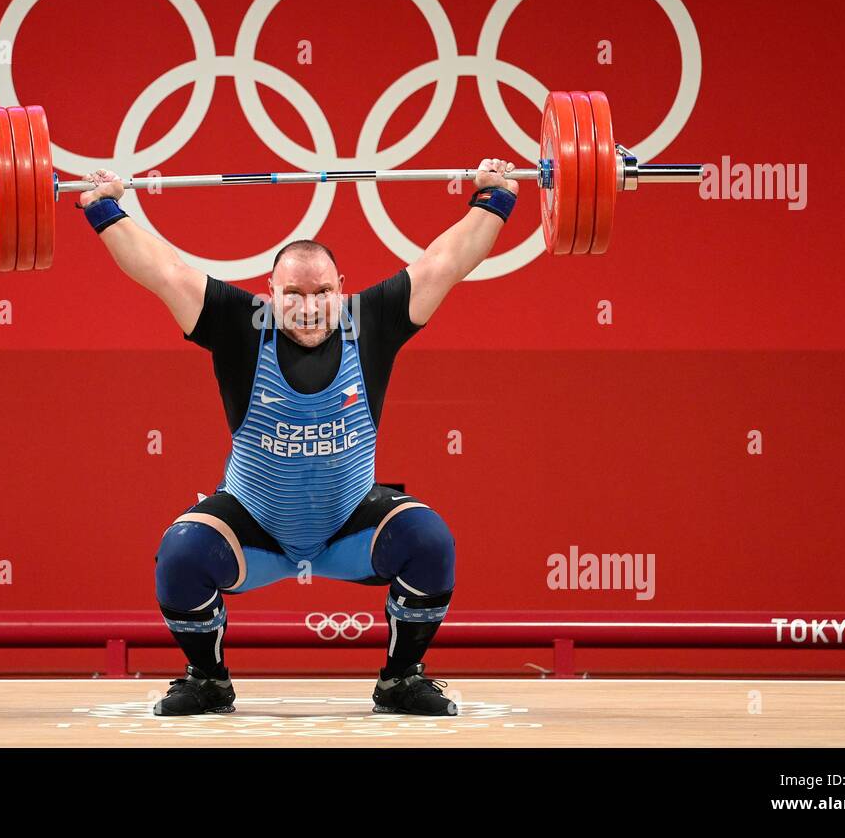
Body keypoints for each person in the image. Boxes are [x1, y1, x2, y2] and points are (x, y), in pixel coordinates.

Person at [76, 159, 520, 716]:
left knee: (430, 539)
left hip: (349, 524)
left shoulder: (374, 319)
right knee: (181, 552)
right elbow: (164, 270)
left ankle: (401, 680)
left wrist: (495, 198)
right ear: (269, 292)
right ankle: (208, 681)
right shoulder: (239, 324)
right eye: (292, 294)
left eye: (322, 292)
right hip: (253, 527)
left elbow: (446, 262)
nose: (308, 307)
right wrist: (103, 207)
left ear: (343, 289)